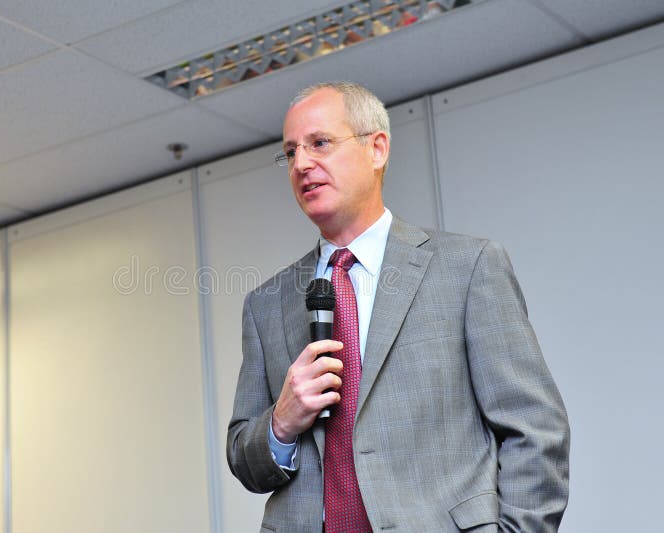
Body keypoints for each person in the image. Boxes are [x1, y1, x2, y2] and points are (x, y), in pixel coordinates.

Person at [227, 81, 569, 532]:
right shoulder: (265, 305)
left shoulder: (467, 267)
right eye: (291, 152)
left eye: (320, 143)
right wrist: (282, 423)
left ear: (377, 149)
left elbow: (535, 430)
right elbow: (244, 459)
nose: (302, 163)